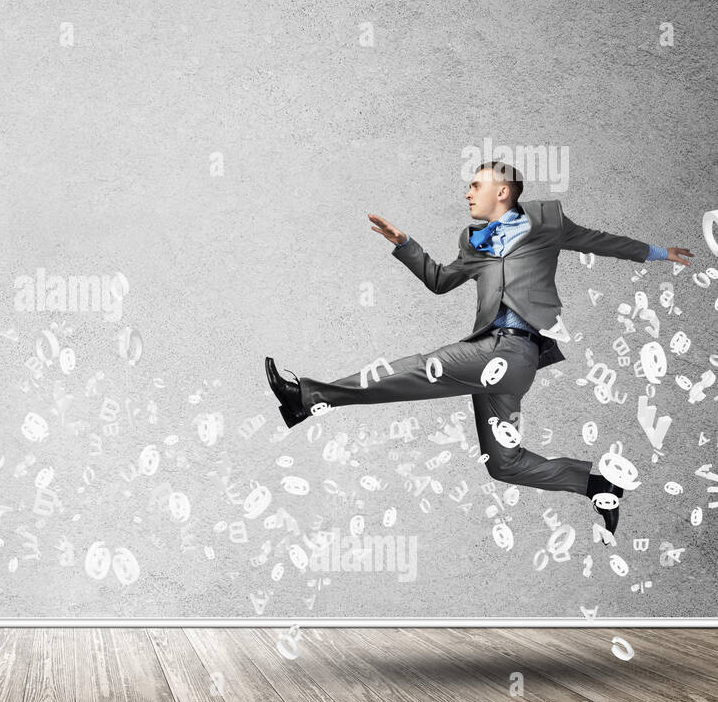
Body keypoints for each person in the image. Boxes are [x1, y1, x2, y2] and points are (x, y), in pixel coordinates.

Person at [265, 161, 694, 535]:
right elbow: (439, 281)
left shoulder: (547, 222)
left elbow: (598, 241)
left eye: (476, 184)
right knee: (503, 463)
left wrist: (660, 252)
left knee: (424, 367)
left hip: (514, 350)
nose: (468, 192)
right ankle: (595, 485)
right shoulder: (475, 243)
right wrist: (404, 244)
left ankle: (308, 397)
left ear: (502, 191)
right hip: (492, 354)